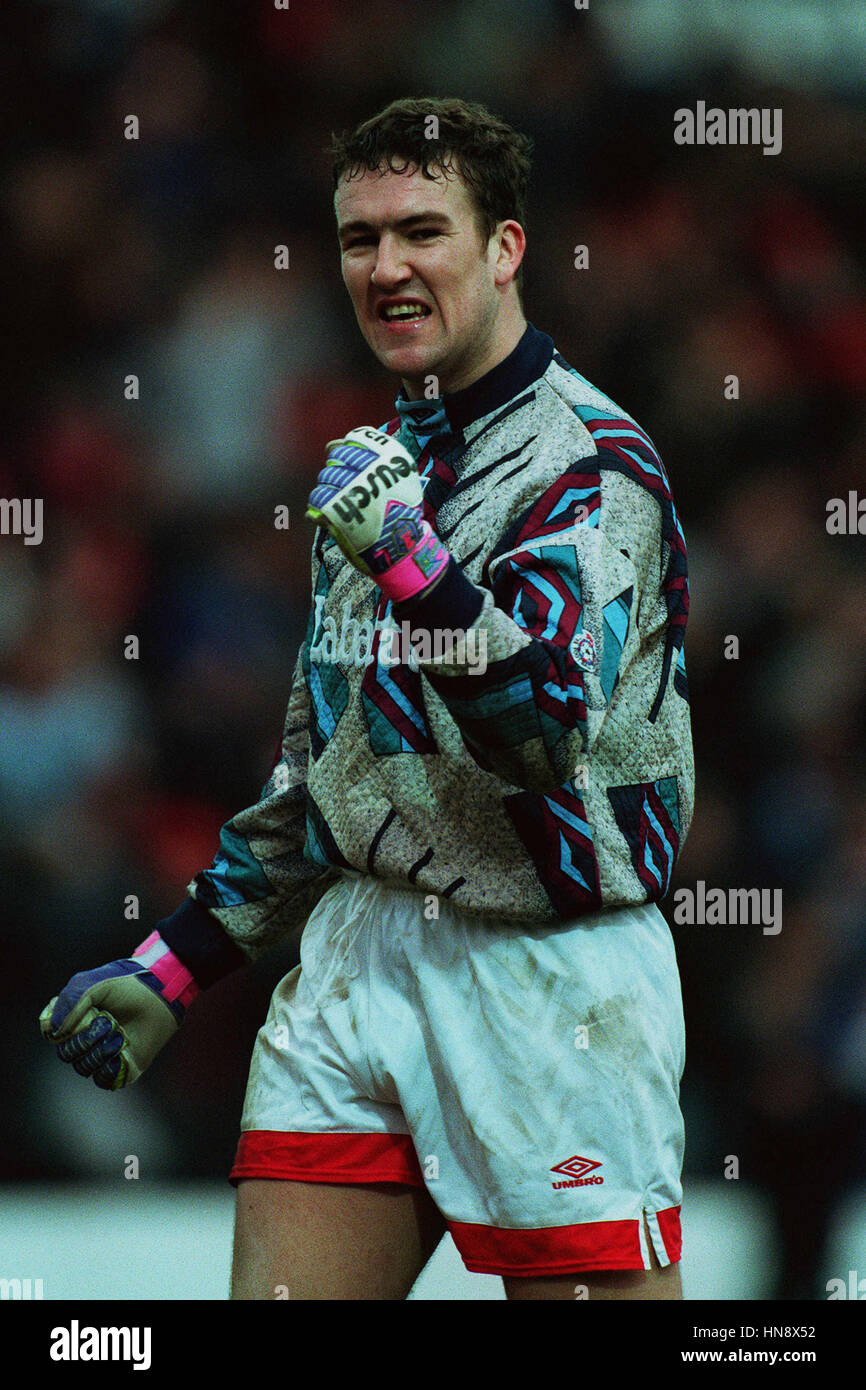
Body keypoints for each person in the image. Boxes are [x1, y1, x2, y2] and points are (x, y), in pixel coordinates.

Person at [40, 97, 694, 1301]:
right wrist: (178, 963)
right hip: (359, 957)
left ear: (503, 250)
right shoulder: (367, 478)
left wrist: (414, 567)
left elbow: (549, 737)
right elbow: (322, 768)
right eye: (357, 238)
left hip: (547, 976)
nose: (385, 266)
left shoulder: (589, 470)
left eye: (421, 231)